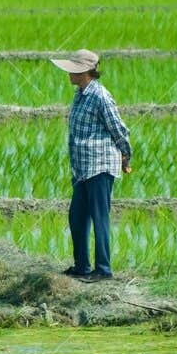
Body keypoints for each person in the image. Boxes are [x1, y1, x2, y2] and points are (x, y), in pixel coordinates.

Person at [52, 49, 131, 280]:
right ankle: (82, 266)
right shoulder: (80, 93)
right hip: (83, 167)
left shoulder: (101, 96)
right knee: (77, 217)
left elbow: (119, 129)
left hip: (100, 165)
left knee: (99, 217)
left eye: (73, 69)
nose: (68, 73)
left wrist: (126, 156)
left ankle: (103, 270)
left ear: (85, 71)